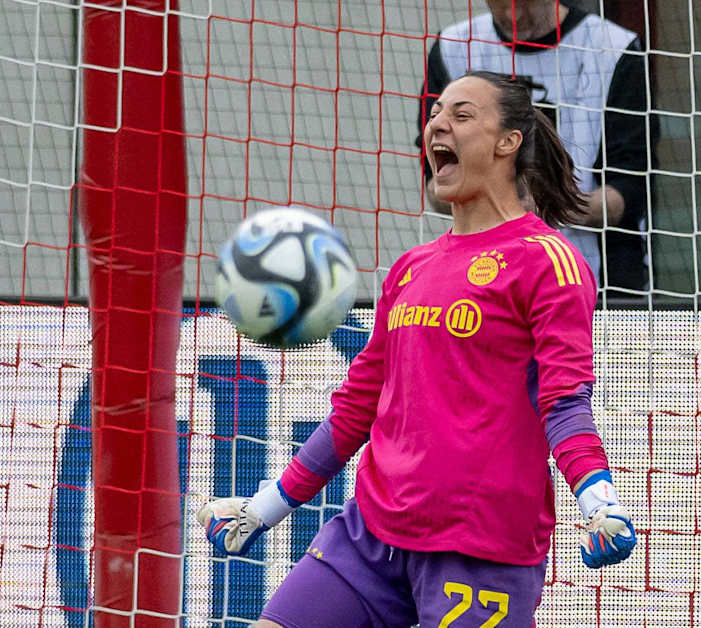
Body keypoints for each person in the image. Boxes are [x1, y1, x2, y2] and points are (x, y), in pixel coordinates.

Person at [196, 71, 636, 628]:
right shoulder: (411, 268)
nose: (437, 124)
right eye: (434, 114)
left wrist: (598, 501)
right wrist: (264, 509)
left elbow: (565, 401)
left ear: (508, 142)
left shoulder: (547, 260)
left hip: (479, 551)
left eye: (461, 113)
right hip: (370, 536)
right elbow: (354, 410)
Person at [416, 0, 653, 294]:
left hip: (603, 280)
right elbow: (434, 185)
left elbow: (630, 190)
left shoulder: (614, 48)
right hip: (482, 277)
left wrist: (547, 204)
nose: (512, 14)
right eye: (498, 3)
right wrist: (496, 203)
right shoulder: (454, 46)